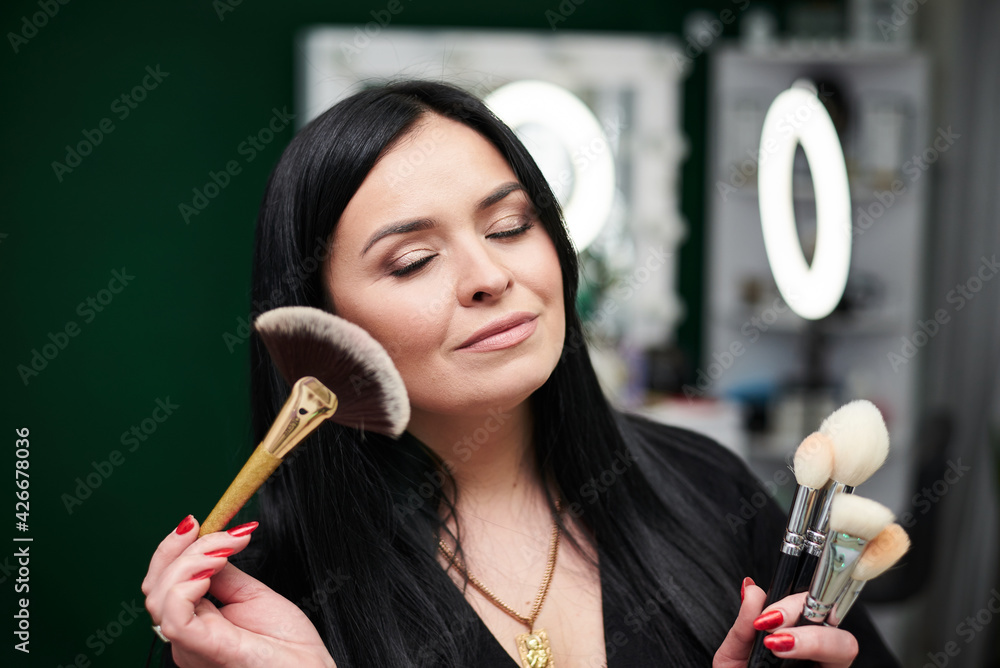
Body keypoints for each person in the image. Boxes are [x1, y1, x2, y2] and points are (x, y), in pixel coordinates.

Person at [142, 80, 899, 667]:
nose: (489, 274)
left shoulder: (709, 490)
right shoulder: (268, 603)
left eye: (511, 226)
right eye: (412, 261)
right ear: (325, 321)